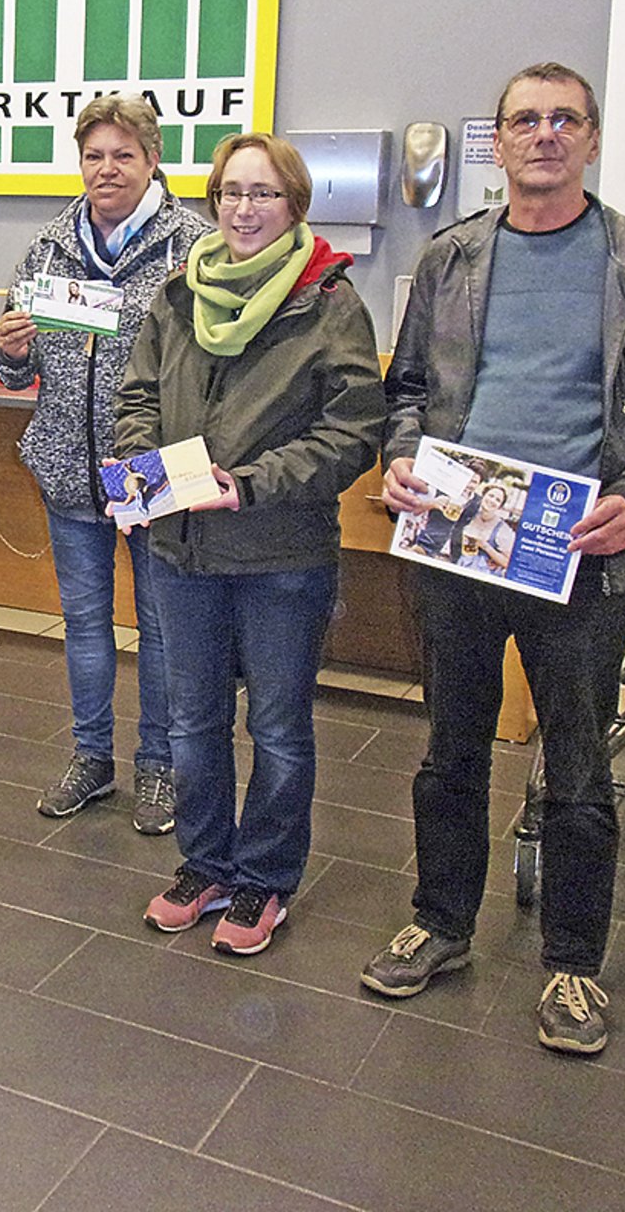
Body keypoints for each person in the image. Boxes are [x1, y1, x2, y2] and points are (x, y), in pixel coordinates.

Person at [359, 61, 625, 1053]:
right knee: (450, 751)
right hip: (459, 542)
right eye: (525, 120)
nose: (545, 135)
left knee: (575, 767)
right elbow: (406, 391)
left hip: (577, 551)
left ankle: (572, 966)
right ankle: (440, 925)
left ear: (592, 139)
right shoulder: (452, 257)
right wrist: (402, 458)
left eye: (565, 119)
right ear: (502, 140)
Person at [117, 132, 384, 955]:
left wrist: (252, 482)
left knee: (277, 728)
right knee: (192, 723)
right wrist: (145, 466)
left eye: (263, 193)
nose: (243, 208)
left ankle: (263, 879)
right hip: (181, 551)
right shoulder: (178, 296)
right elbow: (137, 397)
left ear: (294, 204)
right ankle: (205, 865)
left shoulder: (328, 302)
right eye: (231, 192)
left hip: (281, 557)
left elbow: (353, 429)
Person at [0, 95, 210, 834]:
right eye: (93, 155)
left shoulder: (193, 247)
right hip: (69, 469)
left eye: (123, 155)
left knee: (161, 628)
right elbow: (16, 374)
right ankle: (91, 758)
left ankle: (159, 765)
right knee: (84, 624)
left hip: (153, 473)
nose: (106, 169)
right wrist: (12, 351)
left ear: (153, 160)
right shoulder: (50, 247)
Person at [455, 483, 516, 574]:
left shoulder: (502, 529)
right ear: (483, 496)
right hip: (460, 565)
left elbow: (508, 563)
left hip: (483, 572)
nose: (492, 500)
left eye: (498, 500)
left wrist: (485, 546)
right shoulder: (470, 515)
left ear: (500, 506)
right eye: (491, 495)